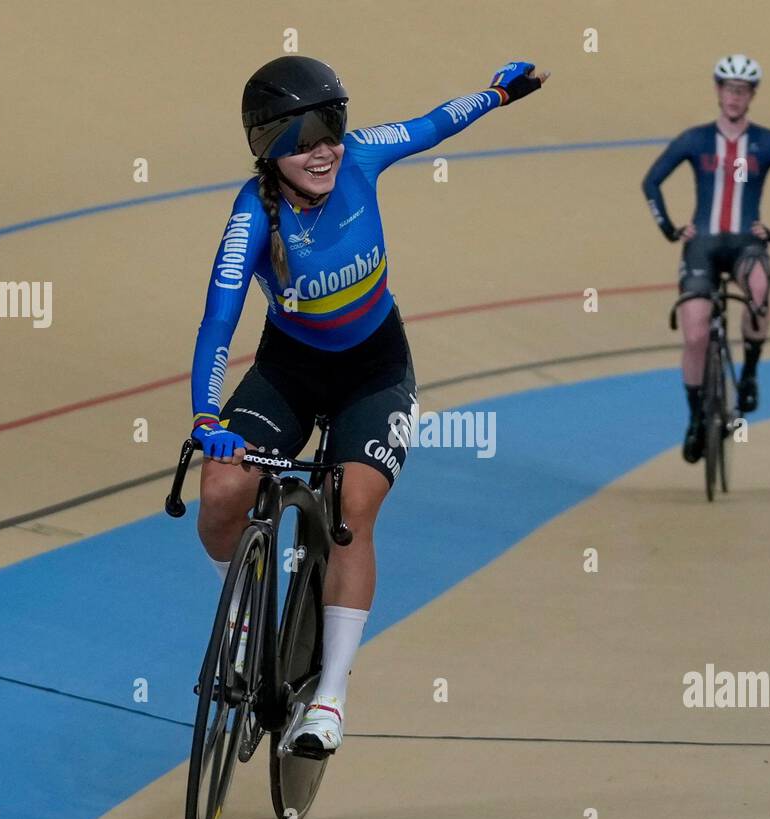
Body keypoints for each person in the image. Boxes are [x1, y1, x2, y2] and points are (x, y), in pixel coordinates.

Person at [189, 55, 548, 753]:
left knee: (351, 512)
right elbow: (218, 322)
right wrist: (207, 419)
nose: (323, 150)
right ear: (268, 148)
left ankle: (329, 696)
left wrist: (498, 93)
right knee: (222, 488)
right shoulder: (252, 216)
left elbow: (435, 123)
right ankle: (240, 624)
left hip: (374, 370)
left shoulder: (361, 156)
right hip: (290, 371)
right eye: (303, 139)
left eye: (332, 127)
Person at [641, 54, 770, 463]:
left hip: (745, 245)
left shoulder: (768, 142)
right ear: (718, 91)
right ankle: (695, 419)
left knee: (759, 289)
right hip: (702, 245)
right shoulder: (696, 139)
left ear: (752, 95)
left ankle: (750, 373)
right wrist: (669, 228)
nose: (734, 97)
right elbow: (651, 182)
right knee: (695, 335)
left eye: (742, 90)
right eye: (728, 89)